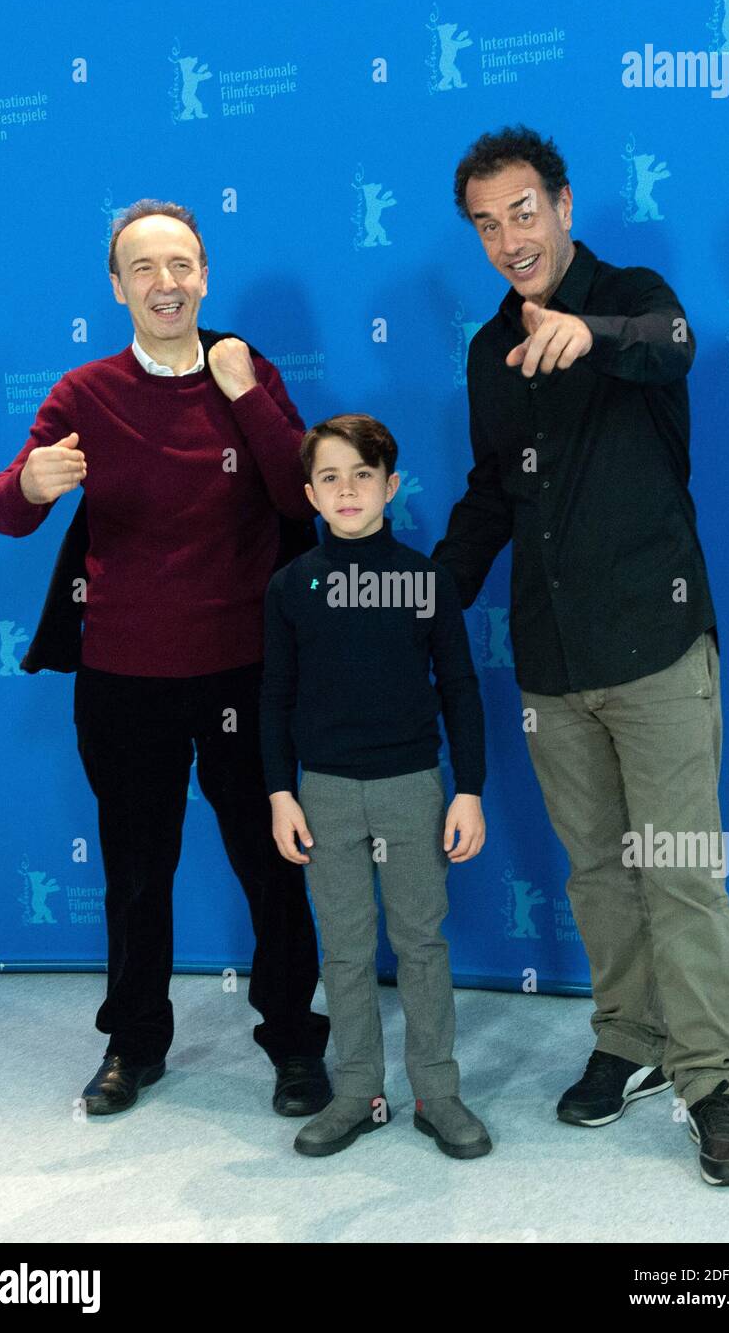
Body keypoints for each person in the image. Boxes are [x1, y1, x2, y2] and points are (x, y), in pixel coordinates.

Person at [431, 126, 729, 1186]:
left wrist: (591, 332)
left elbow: (672, 343)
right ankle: (630, 1039)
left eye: (522, 212)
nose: (507, 238)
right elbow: (494, 490)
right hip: (551, 659)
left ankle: (711, 1082)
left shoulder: (633, 297)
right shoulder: (489, 350)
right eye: (486, 224)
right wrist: (423, 593)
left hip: (656, 641)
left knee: (678, 874)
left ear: (563, 205)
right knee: (597, 873)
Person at [0, 199, 331, 1117]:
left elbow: (302, 496)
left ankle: (295, 1043)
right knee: (136, 871)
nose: (165, 283)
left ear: (204, 275)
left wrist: (242, 390)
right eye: (144, 268)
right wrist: (30, 481)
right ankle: (133, 1046)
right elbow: (5, 511)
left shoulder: (245, 369)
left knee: (270, 865)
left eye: (180, 265)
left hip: (242, 673)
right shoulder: (83, 394)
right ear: (117, 287)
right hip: (124, 680)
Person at [260, 414, 492, 1159]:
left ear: (390, 486)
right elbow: (274, 695)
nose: (347, 489)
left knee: (420, 942)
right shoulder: (291, 586)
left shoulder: (426, 581)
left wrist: (468, 789)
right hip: (323, 792)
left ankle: (437, 1092)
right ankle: (357, 1090)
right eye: (329, 477)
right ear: (308, 494)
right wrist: (279, 792)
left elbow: (458, 687)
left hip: (412, 787)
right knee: (346, 948)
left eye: (363, 475)